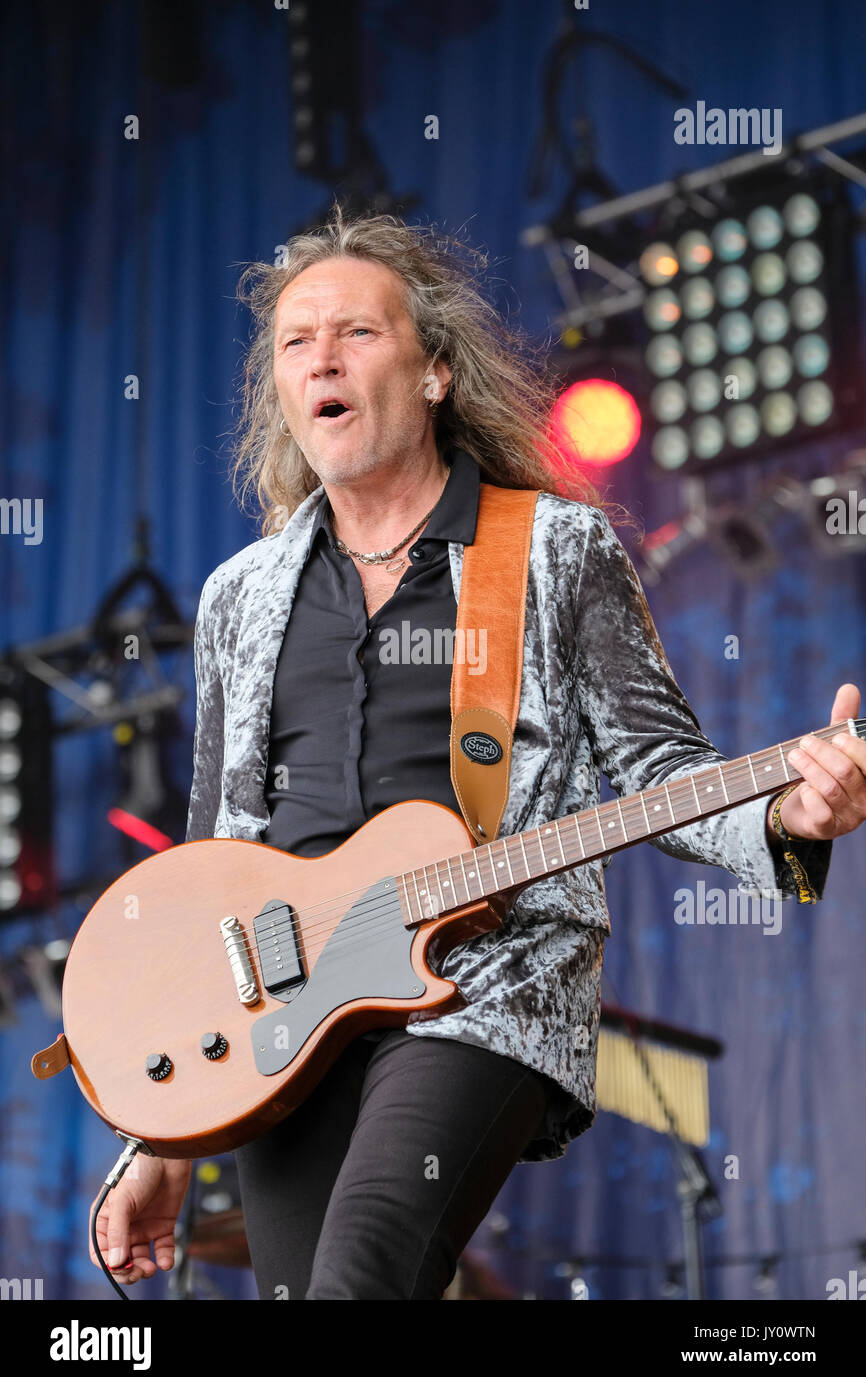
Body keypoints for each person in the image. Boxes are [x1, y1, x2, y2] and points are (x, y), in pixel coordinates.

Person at [91, 206, 866, 1300]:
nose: (320, 356)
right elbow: (218, 850)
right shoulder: (238, 596)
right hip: (280, 1021)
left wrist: (785, 813)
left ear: (436, 372)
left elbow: (655, 769)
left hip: (481, 984)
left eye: (354, 333)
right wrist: (164, 1139)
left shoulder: (550, 550)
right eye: (294, 342)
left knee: (361, 1272)